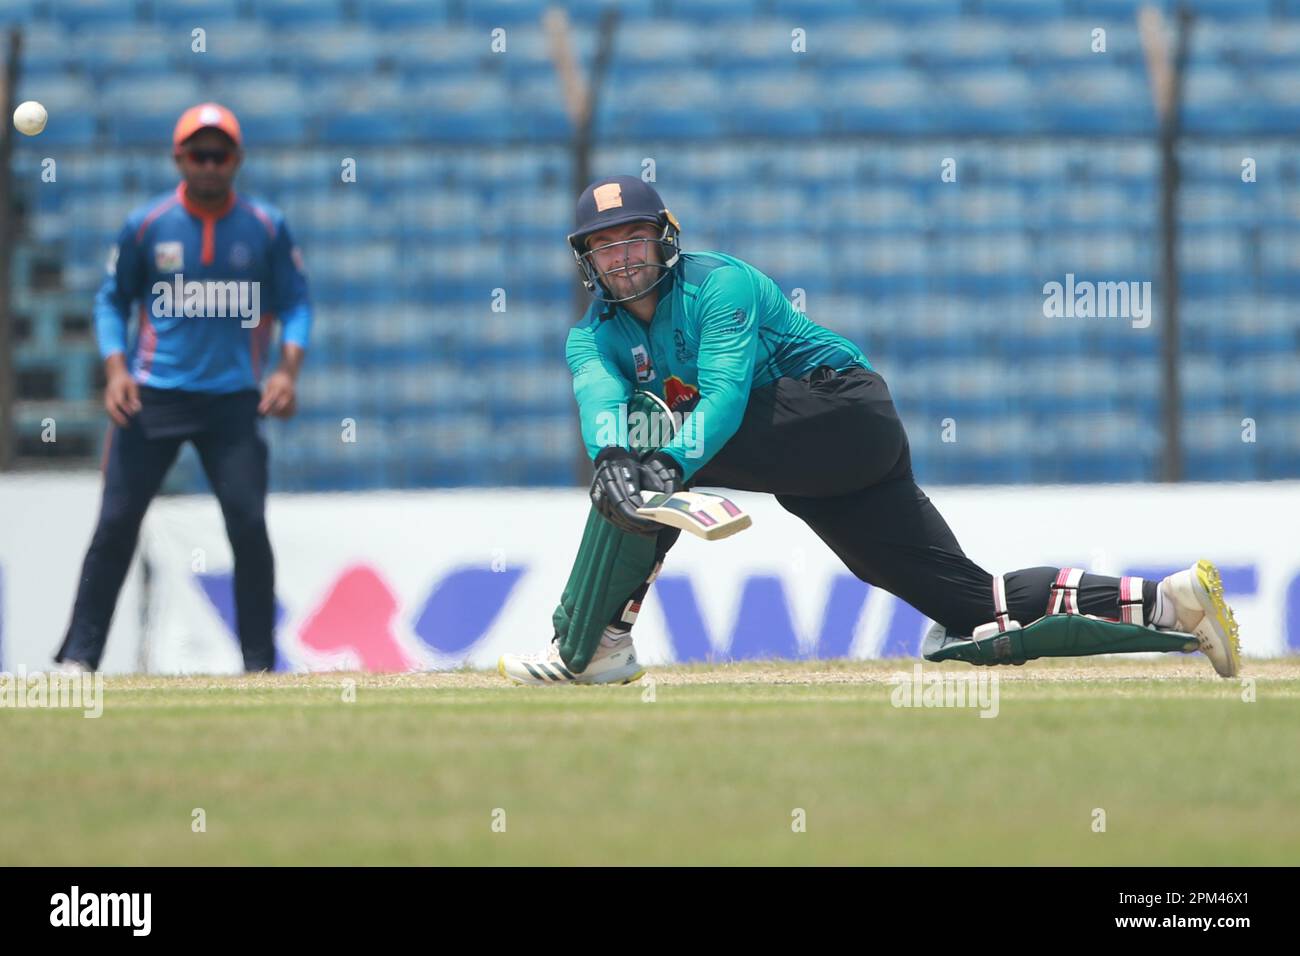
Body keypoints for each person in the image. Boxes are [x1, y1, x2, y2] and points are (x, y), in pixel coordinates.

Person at [498, 176, 1240, 685]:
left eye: (633, 239)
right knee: (970, 615)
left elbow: (722, 399)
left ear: (666, 240)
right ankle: (1172, 602)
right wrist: (611, 462)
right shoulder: (588, 337)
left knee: (656, 451)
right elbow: (600, 404)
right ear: (586, 260)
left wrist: (653, 464)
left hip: (842, 415)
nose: (622, 258)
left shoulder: (719, 284)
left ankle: (593, 642)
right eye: (605, 246)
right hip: (812, 466)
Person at [55, 103, 312, 672]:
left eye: (221, 155)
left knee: (247, 523)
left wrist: (287, 372)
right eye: (199, 154)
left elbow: (295, 304)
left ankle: (260, 665)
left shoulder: (266, 226)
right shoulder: (147, 225)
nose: (210, 165)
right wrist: (117, 370)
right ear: (179, 158)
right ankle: (78, 658)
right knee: (117, 522)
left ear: (237, 160)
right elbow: (110, 300)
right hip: (153, 397)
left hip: (232, 401)